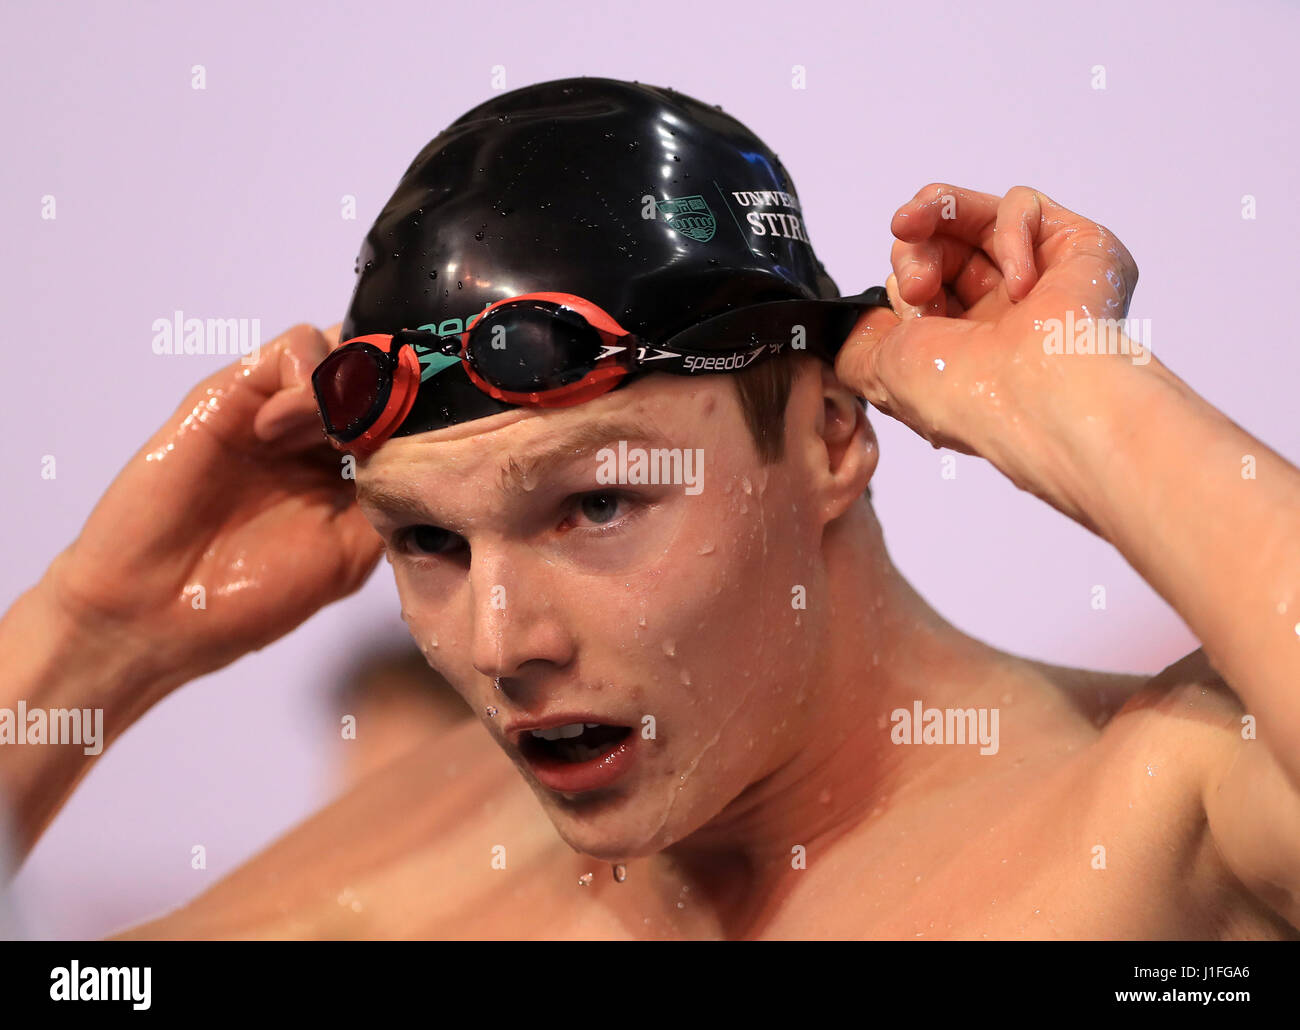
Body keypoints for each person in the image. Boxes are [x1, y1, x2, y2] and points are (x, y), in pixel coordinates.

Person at [2, 77, 1297, 939]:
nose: (503, 640)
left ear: (833, 432)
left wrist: (1086, 406)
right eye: (429, 541)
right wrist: (99, 633)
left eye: (596, 503)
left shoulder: (1152, 828)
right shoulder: (411, 883)